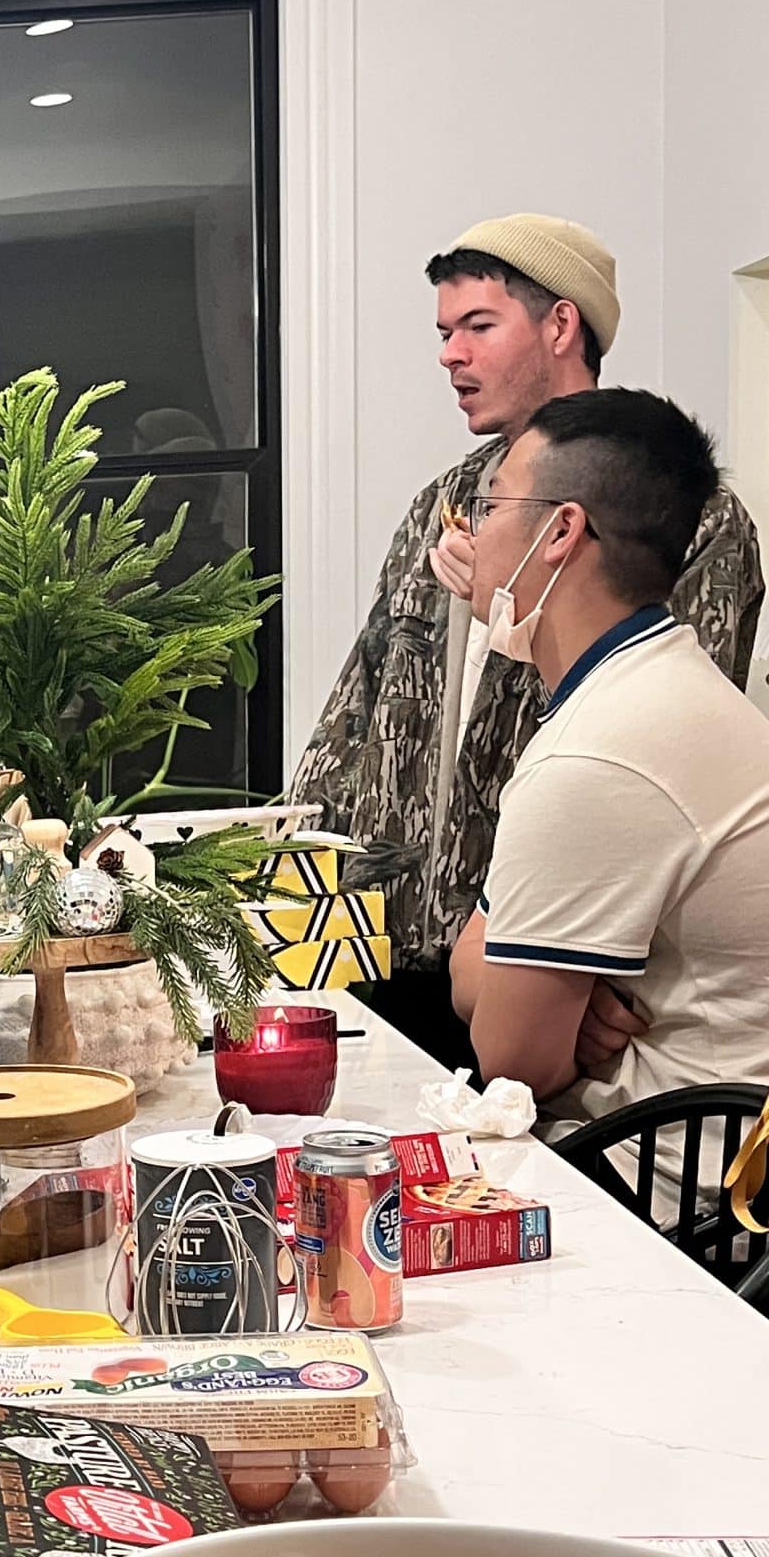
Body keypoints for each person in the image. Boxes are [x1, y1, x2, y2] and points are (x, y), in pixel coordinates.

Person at [295, 215, 762, 1067]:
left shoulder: (692, 518)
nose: (450, 355)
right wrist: (298, 879)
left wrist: (578, 979)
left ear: (559, 326)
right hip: (394, 939)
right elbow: (356, 706)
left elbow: (662, 754)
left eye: (478, 326)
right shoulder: (441, 504)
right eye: (444, 333)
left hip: (557, 955)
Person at [447, 389, 769, 1129]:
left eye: (492, 505)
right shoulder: (658, 683)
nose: (475, 532)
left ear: (560, 531)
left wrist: (522, 992)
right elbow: (474, 966)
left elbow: (513, 1062)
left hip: (667, 1196)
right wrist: (554, 992)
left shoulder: (599, 753)